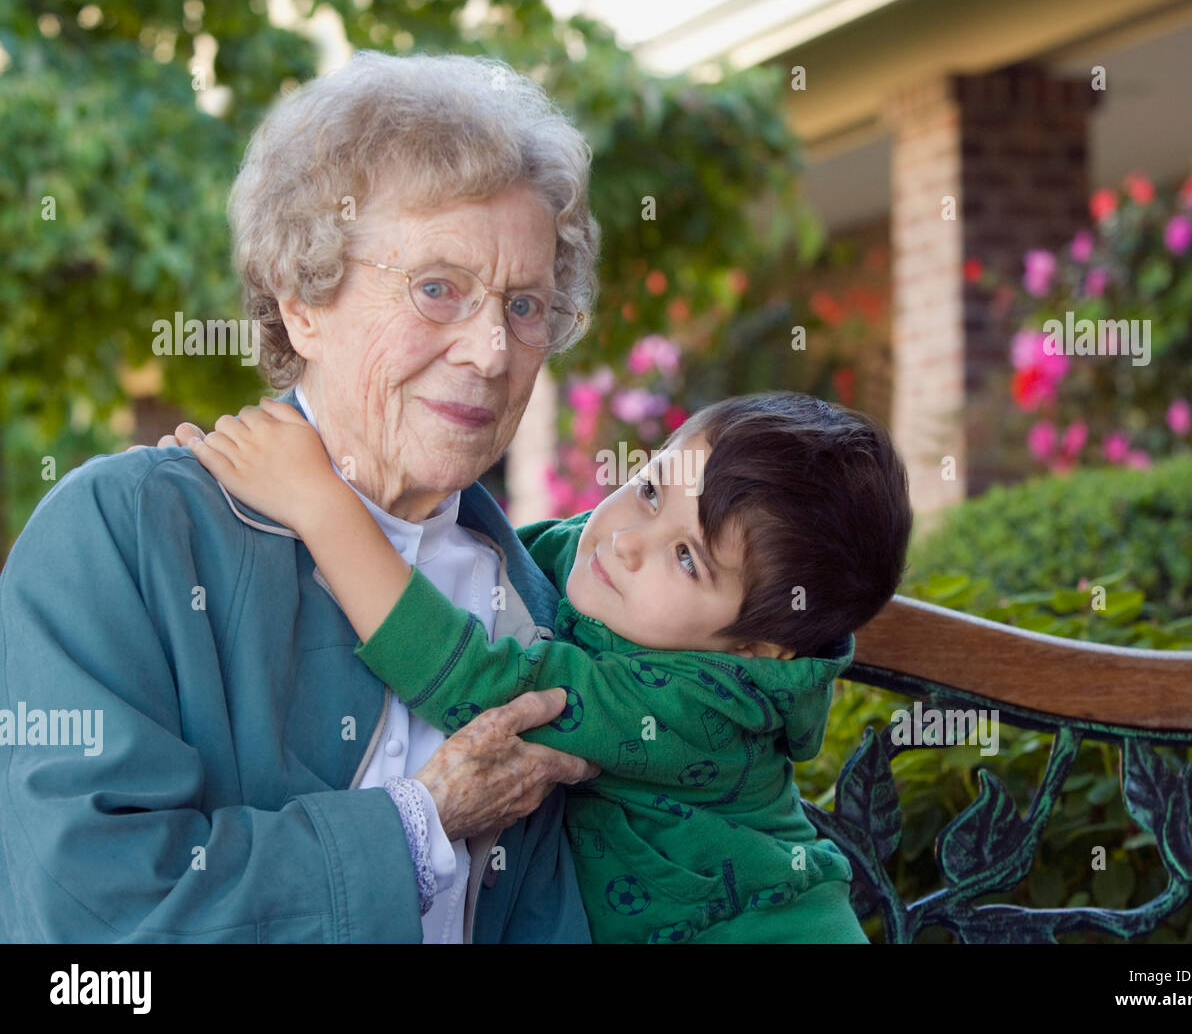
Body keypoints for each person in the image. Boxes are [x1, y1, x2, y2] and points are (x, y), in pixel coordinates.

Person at [0, 51, 601, 942]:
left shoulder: (547, 606)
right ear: (301, 302)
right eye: (438, 290)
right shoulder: (124, 538)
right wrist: (418, 822)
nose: (491, 351)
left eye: (524, 306)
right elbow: (93, 923)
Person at [169, 390, 913, 942]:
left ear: (756, 651)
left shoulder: (701, 707)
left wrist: (321, 506)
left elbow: (481, 685)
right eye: (650, 489)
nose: (627, 540)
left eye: (686, 557)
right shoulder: (600, 565)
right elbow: (469, 580)